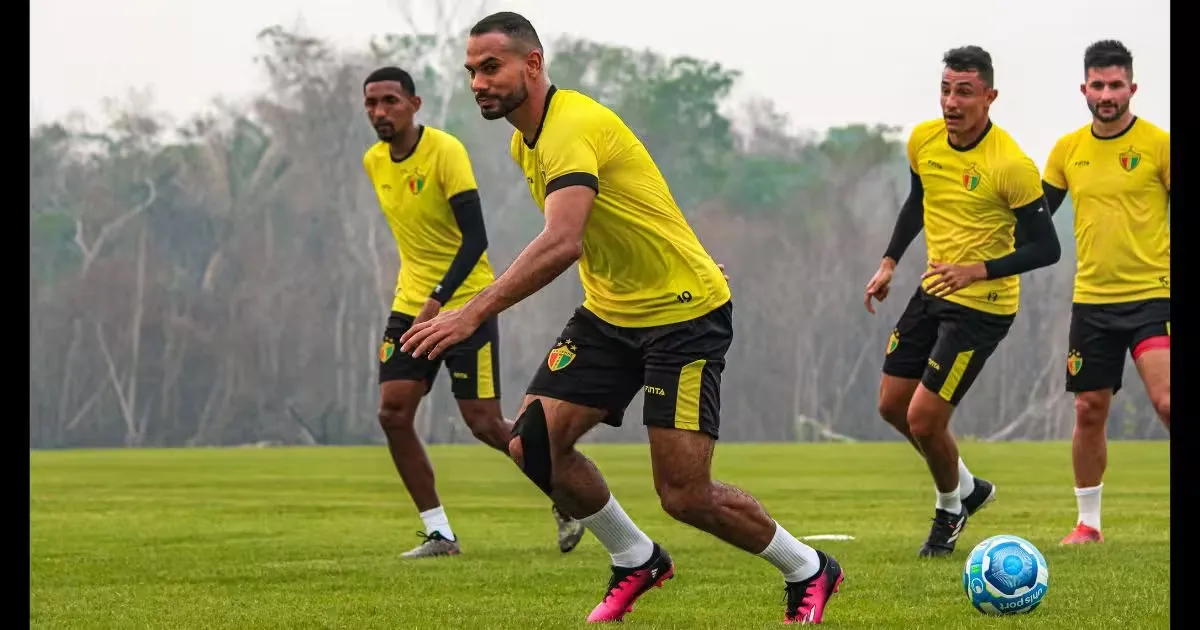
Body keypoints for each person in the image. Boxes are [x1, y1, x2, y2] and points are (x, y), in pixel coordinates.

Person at [400, 12, 844, 625]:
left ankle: (810, 569)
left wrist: (469, 313)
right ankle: (636, 558)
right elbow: (636, 201)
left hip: (683, 318)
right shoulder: (521, 141)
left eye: (492, 67)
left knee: (684, 494)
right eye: (472, 70)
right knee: (533, 445)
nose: (478, 81)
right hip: (611, 312)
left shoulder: (571, 127)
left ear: (533, 64)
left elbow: (563, 242)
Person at [361, 66, 585, 559]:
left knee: (484, 423)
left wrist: (440, 299)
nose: (380, 112)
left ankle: (568, 493)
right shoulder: (374, 161)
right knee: (392, 413)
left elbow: (475, 240)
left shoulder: (445, 151)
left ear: (414, 105)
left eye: (390, 101)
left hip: (466, 302)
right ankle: (439, 533)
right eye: (372, 103)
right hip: (410, 307)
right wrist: (420, 301)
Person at [863, 46, 1061, 558]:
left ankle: (950, 510)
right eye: (947, 89)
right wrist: (889, 262)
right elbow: (918, 201)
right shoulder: (924, 140)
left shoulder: (1011, 164)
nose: (952, 101)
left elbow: (1047, 247)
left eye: (965, 92)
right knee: (891, 406)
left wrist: (976, 270)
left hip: (983, 307)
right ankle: (969, 487)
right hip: (933, 290)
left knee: (924, 420)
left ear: (989, 97)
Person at [1029, 40, 1169, 545]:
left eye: (1115, 85)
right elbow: (1036, 218)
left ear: (1132, 87)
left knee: (1167, 401)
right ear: (1083, 89)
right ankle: (1088, 525)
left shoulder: (1158, 144)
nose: (1106, 94)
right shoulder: (1067, 151)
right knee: (1089, 408)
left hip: (1154, 297)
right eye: (1097, 85)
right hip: (1092, 301)